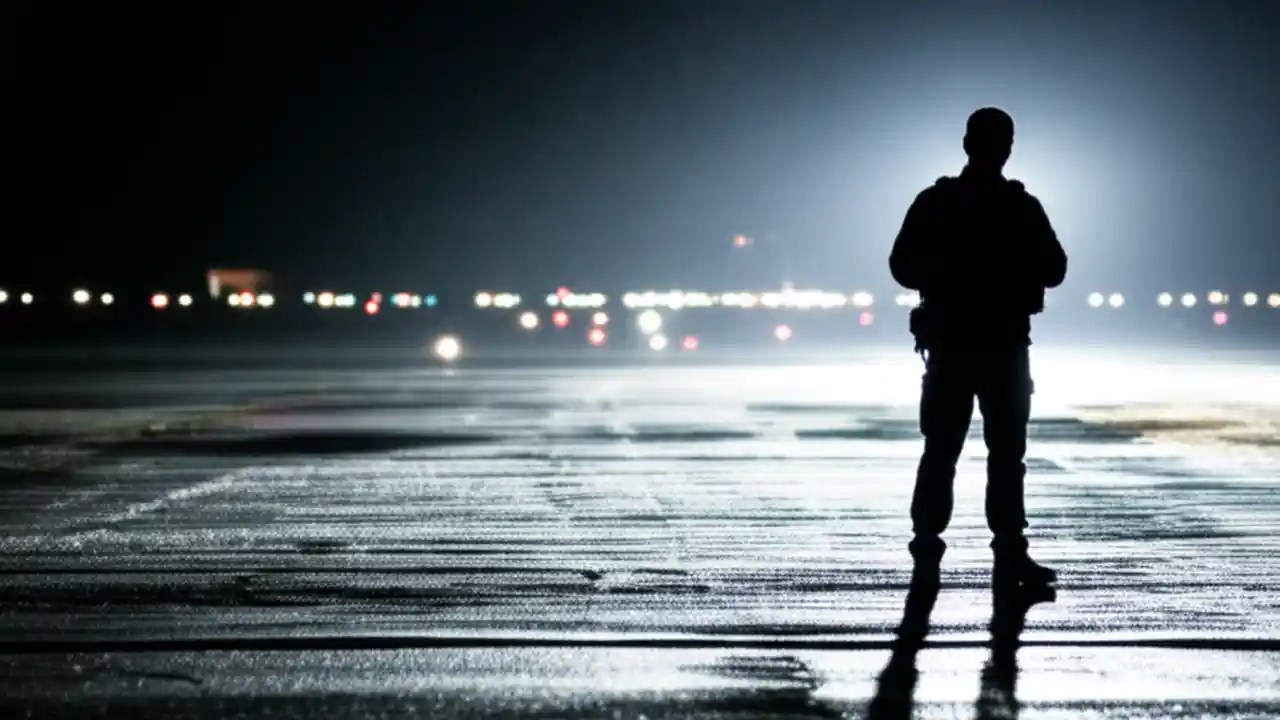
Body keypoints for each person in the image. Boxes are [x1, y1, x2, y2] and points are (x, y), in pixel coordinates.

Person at [888, 107, 1067, 591]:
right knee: (1001, 454)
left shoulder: (939, 202)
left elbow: (903, 266)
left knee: (945, 450)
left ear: (967, 144)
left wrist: (948, 276)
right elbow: (1054, 269)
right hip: (998, 346)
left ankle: (930, 546)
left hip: (958, 346)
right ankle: (1005, 550)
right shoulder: (1018, 207)